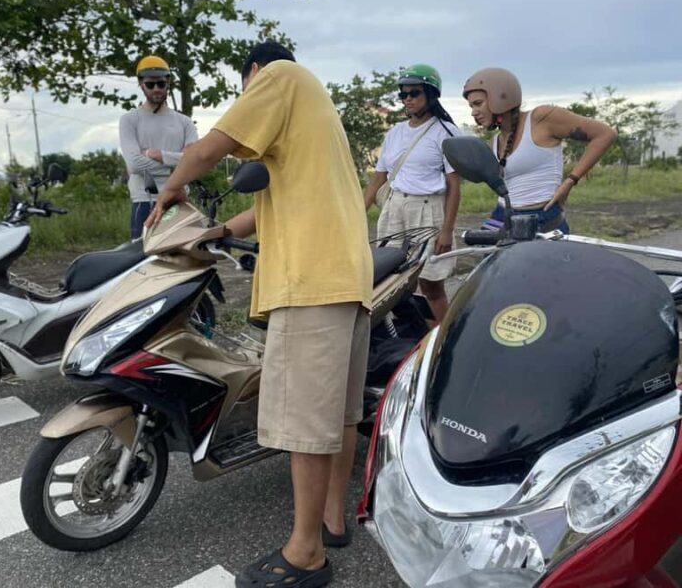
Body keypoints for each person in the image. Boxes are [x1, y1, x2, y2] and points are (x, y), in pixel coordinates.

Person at [145, 41, 373, 588]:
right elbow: (269, 205)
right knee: (338, 415)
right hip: (347, 275)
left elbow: (207, 149)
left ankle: (305, 556)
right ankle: (331, 521)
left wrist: (170, 192)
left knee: (304, 423)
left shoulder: (280, 76)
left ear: (253, 71)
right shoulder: (314, 109)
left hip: (311, 280)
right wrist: (218, 231)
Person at [462, 67, 617, 233]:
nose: (473, 112)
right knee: (485, 256)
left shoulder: (540, 119)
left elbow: (605, 134)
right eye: (471, 106)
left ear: (501, 96)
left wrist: (570, 181)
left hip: (541, 215)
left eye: (478, 104)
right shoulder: (495, 142)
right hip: (501, 215)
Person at [363, 64, 461, 323]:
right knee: (389, 282)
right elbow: (378, 178)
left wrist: (447, 230)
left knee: (430, 285)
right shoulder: (395, 133)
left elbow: (454, 186)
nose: (407, 99)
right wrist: (357, 214)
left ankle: (442, 340)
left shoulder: (447, 133)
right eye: (403, 94)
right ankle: (408, 338)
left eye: (414, 93)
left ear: (431, 94)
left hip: (428, 211)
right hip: (394, 207)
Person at [118, 55, 198, 239]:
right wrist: (179, 163)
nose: (156, 89)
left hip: (178, 202)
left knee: (183, 262)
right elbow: (134, 165)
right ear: (141, 84)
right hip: (144, 201)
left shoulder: (184, 122)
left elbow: (195, 161)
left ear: (168, 83)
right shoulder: (130, 120)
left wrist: (157, 154)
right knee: (142, 263)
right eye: (150, 84)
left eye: (161, 84)